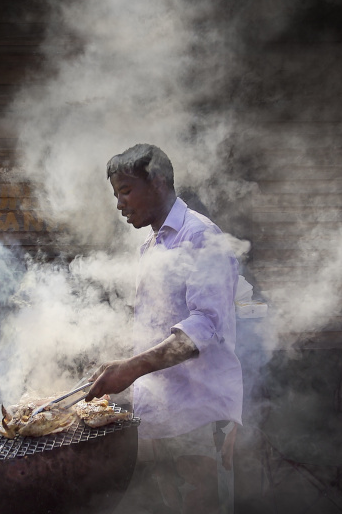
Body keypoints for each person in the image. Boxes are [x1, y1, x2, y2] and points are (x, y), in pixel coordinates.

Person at [86, 144, 243, 514]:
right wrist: (119, 363)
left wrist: (130, 368)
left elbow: (202, 328)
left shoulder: (201, 237)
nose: (120, 204)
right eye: (116, 195)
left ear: (156, 182)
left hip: (199, 418)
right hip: (161, 415)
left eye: (125, 191)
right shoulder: (152, 246)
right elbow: (154, 327)